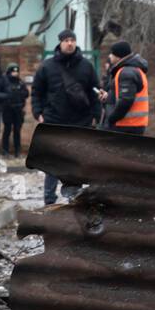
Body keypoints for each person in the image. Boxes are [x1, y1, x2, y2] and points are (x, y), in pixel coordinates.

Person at [31, 29, 100, 205]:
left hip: (81, 120)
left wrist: (95, 115)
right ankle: (49, 199)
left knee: (76, 160)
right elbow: (37, 92)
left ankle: (75, 197)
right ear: (60, 43)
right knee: (53, 160)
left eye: (72, 40)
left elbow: (94, 92)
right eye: (66, 40)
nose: (70, 43)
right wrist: (38, 113)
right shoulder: (47, 66)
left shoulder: (86, 66)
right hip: (54, 120)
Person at [98, 41, 149, 135]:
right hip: (131, 125)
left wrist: (111, 118)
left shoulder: (127, 72)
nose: (110, 56)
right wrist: (108, 96)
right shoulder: (130, 70)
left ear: (118, 56)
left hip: (126, 126)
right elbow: (123, 95)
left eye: (112, 53)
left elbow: (126, 100)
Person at [1, 63, 30, 158]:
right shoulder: (4, 82)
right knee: (7, 130)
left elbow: (26, 93)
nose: (15, 73)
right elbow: (2, 94)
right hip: (7, 110)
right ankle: (5, 150)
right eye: (13, 71)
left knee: (17, 131)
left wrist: (19, 93)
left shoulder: (20, 82)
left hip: (18, 110)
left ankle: (17, 151)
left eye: (17, 71)